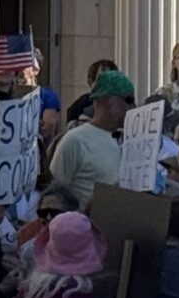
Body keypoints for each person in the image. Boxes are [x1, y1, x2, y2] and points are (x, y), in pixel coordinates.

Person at [48, 70, 132, 204]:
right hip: (85, 223)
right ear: (110, 102)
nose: (132, 107)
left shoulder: (129, 140)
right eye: (128, 100)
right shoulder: (75, 140)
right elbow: (54, 193)